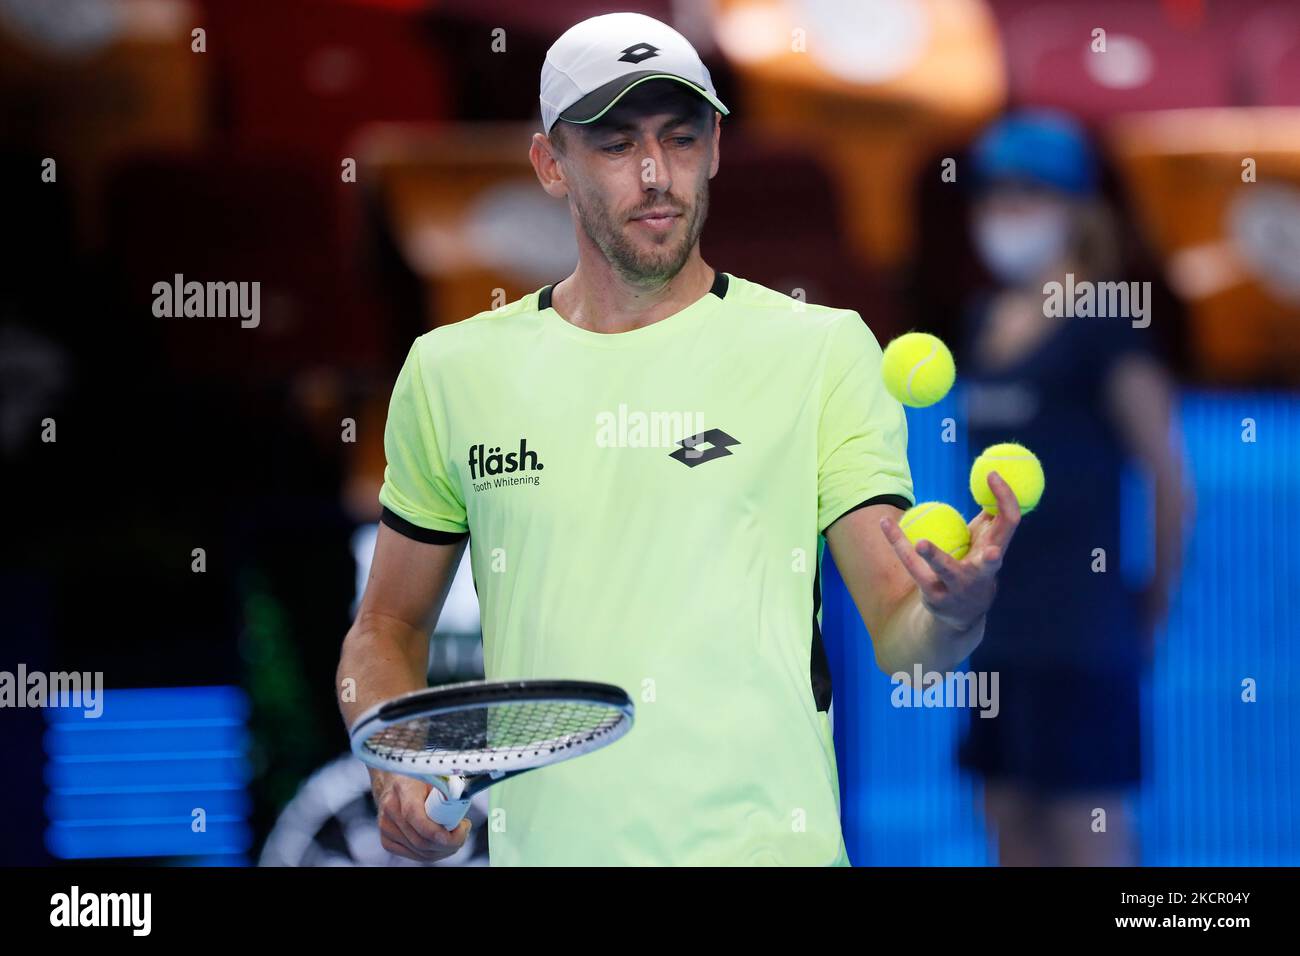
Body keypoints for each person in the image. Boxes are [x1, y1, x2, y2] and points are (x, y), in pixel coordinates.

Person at [337, 12, 1020, 866]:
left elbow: (902, 633)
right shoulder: (450, 372)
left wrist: (956, 613)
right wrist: (394, 767)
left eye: (681, 138)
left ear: (717, 150)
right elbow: (385, 627)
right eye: (617, 145)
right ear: (551, 164)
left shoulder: (823, 349)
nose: (657, 174)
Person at [955, 110, 1193, 865]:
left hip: (1084, 635)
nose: (1005, 211)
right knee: (1007, 821)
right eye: (995, 193)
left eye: (1030, 193)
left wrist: (1147, 611)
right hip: (996, 631)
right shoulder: (982, 319)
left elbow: (1170, 481)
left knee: (1084, 834)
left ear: (1075, 208)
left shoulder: (1107, 321)